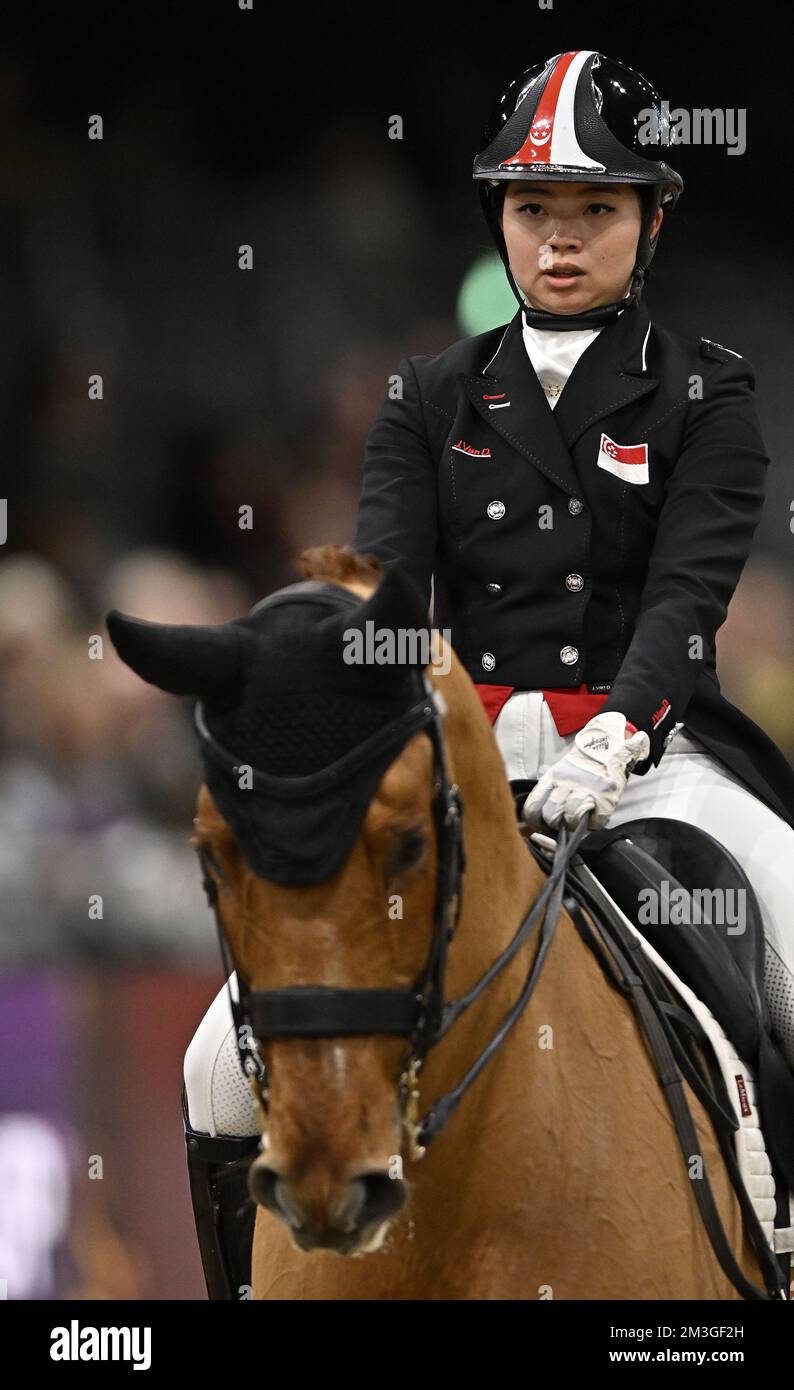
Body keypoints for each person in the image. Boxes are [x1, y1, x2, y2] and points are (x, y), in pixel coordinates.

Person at [180, 49, 794, 1296]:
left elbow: (685, 601)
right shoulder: (425, 397)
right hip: (462, 773)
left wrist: (614, 734)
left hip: (653, 767)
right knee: (209, 1064)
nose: (558, 243)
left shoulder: (705, 391)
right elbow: (389, 607)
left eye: (593, 211)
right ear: (497, 220)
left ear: (648, 217)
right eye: (531, 212)